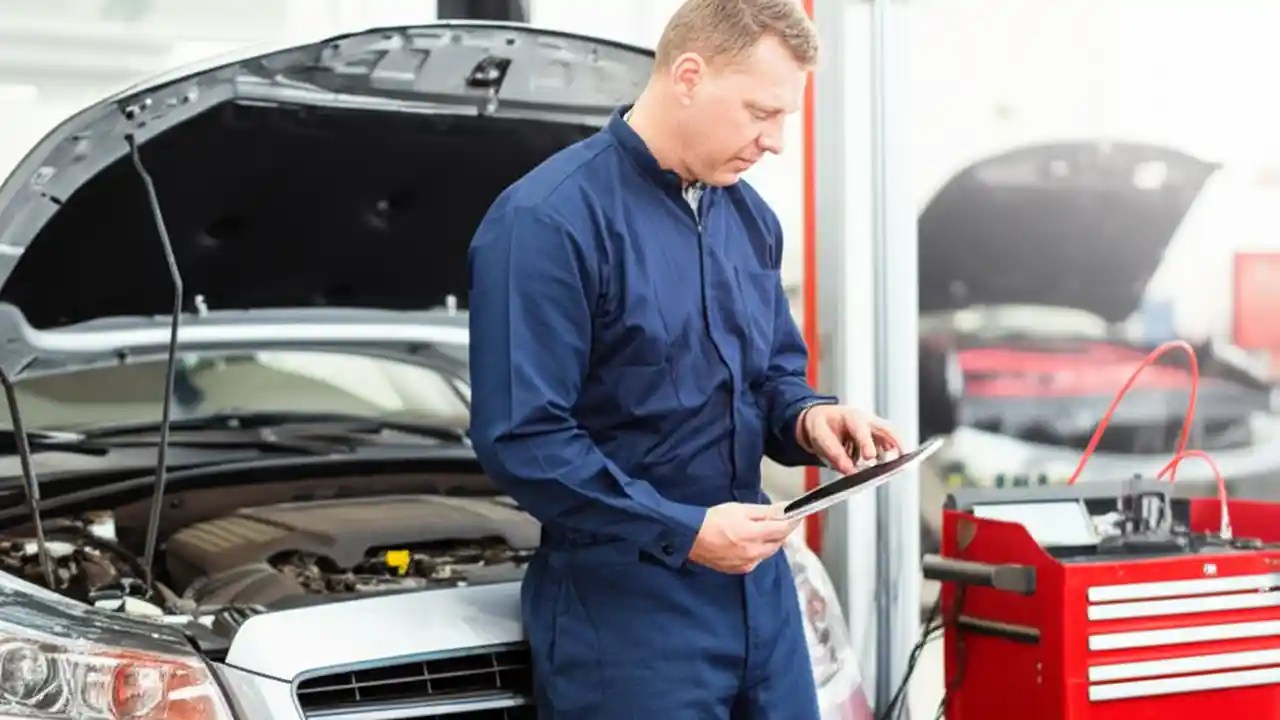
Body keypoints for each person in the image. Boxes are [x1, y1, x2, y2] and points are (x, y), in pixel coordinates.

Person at [467, 0, 902, 717]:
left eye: (785, 117)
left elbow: (770, 378)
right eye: (761, 113)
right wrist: (685, 531)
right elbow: (524, 438)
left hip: (762, 599)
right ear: (690, 77)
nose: (776, 142)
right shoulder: (547, 222)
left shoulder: (749, 219)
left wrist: (809, 418)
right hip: (627, 620)